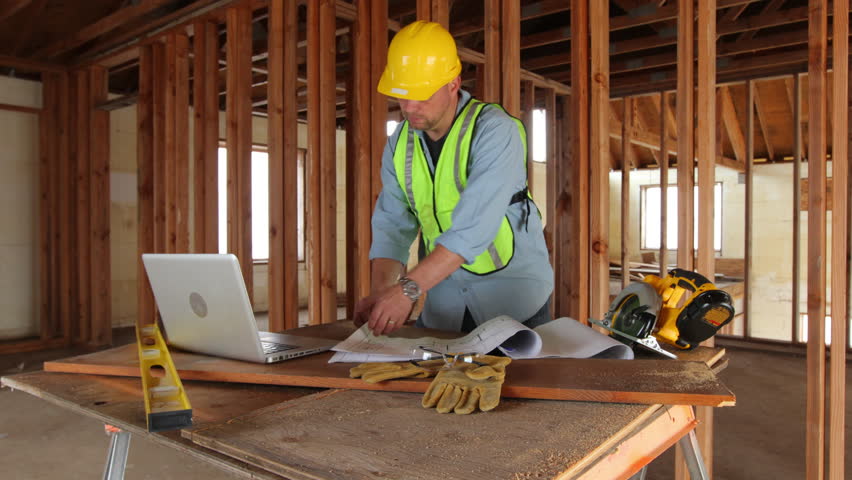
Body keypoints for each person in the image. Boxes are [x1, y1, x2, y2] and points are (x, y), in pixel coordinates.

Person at [353, 21, 553, 336]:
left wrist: (406, 290)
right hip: (445, 303)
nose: (409, 107)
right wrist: (382, 292)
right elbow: (392, 225)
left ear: (453, 84)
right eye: (402, 96)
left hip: (512, 299)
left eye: (421, 95)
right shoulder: (399, 143)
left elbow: (473, 228)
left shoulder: (495, 130)